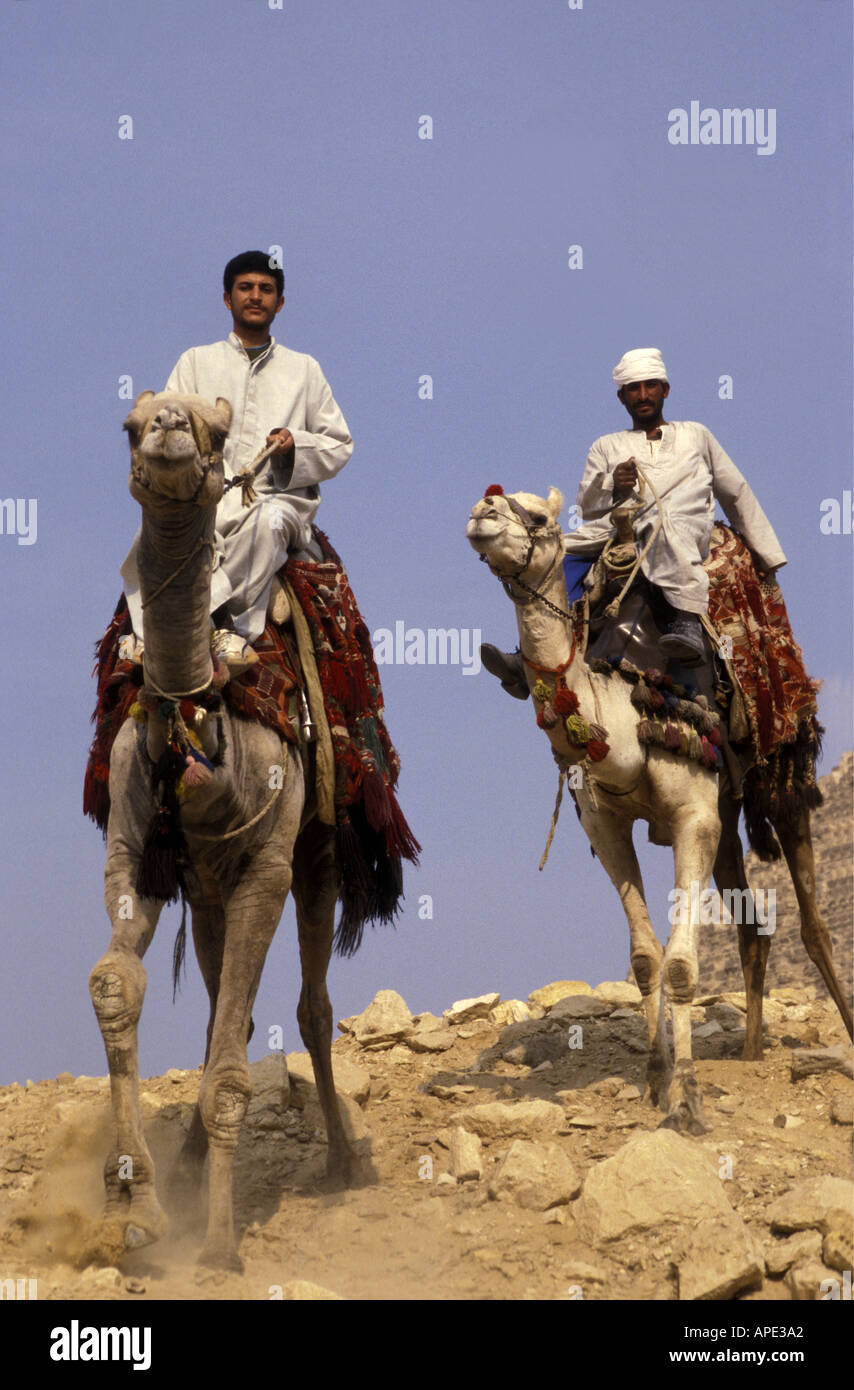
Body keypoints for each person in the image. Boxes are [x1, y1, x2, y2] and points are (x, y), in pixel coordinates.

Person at [482, 346, 786, 694]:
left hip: (682, 527)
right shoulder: (606, 446)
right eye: (633, 389)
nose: (642, 395)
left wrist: (767, 555)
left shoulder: (696, 436)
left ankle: (684, 621)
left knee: (661, 520)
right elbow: (587, 503)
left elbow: (736, 492)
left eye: (650, 385)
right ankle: (526, 658)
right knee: (553, 549)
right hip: (618, 529)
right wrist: (613, 483)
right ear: (622, 397)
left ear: (665, 390)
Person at [120, 250, 353, 668]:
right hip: (204, 499)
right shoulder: (196, 361)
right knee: (149, 543)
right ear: (228, 299)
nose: (256, 296)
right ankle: (145, 633)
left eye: (266, 290)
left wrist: (293, 443)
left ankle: (234, 632)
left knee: (269, 523)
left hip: (276, 501)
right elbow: (167, 425)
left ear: (280, 303)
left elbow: (339, 444)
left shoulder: (305, 370)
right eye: (245, 287)